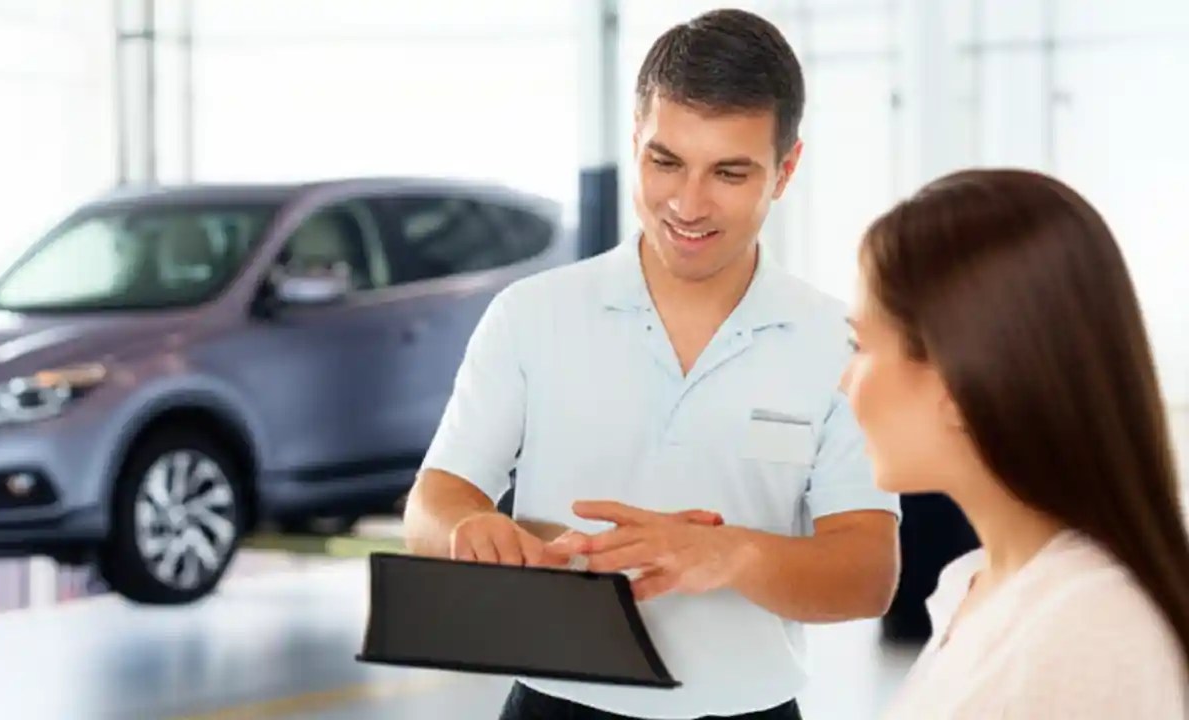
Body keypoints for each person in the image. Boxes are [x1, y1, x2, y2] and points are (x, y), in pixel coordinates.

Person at [404, 9, 901, 720]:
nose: (687, 205)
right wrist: (465, 530)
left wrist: (731, 554)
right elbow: (434, 500)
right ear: (635, 140)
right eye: (665, 161)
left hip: (751, 712)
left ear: (785, 170)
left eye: (729, 172)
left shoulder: (836, 343)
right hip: (554, 706)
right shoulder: (531, 314)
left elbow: (868, 574)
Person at [842, 168, 1189, 718]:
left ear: (953, 383)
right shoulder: (978, 588)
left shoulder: (1090, 631)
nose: (843, 383)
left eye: (858, 345)